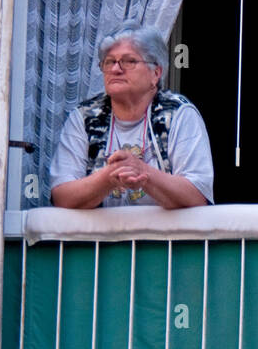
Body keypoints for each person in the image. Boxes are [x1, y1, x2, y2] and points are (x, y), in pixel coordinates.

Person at [49, 22, 213, 209]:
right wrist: (110, 176)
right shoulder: (85, 117)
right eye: (109, 61)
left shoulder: (178, 113)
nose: (115, 69)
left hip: (162, 238)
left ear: (156, 73)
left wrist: (143, 172)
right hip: (101, 238)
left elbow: (198, 196)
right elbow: (61, 196)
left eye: (129, 61)